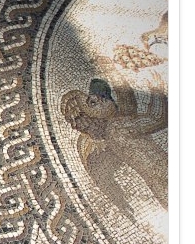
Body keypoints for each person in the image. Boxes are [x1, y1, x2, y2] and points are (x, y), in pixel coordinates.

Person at [59, 65, 167, 215]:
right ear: (89, 117)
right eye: (92, 102)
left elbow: (127, 105)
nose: (101, 99)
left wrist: (116, 73)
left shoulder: (110, 136)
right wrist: (157, 88)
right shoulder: (118, 128)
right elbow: (159, 117)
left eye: (102, 96)